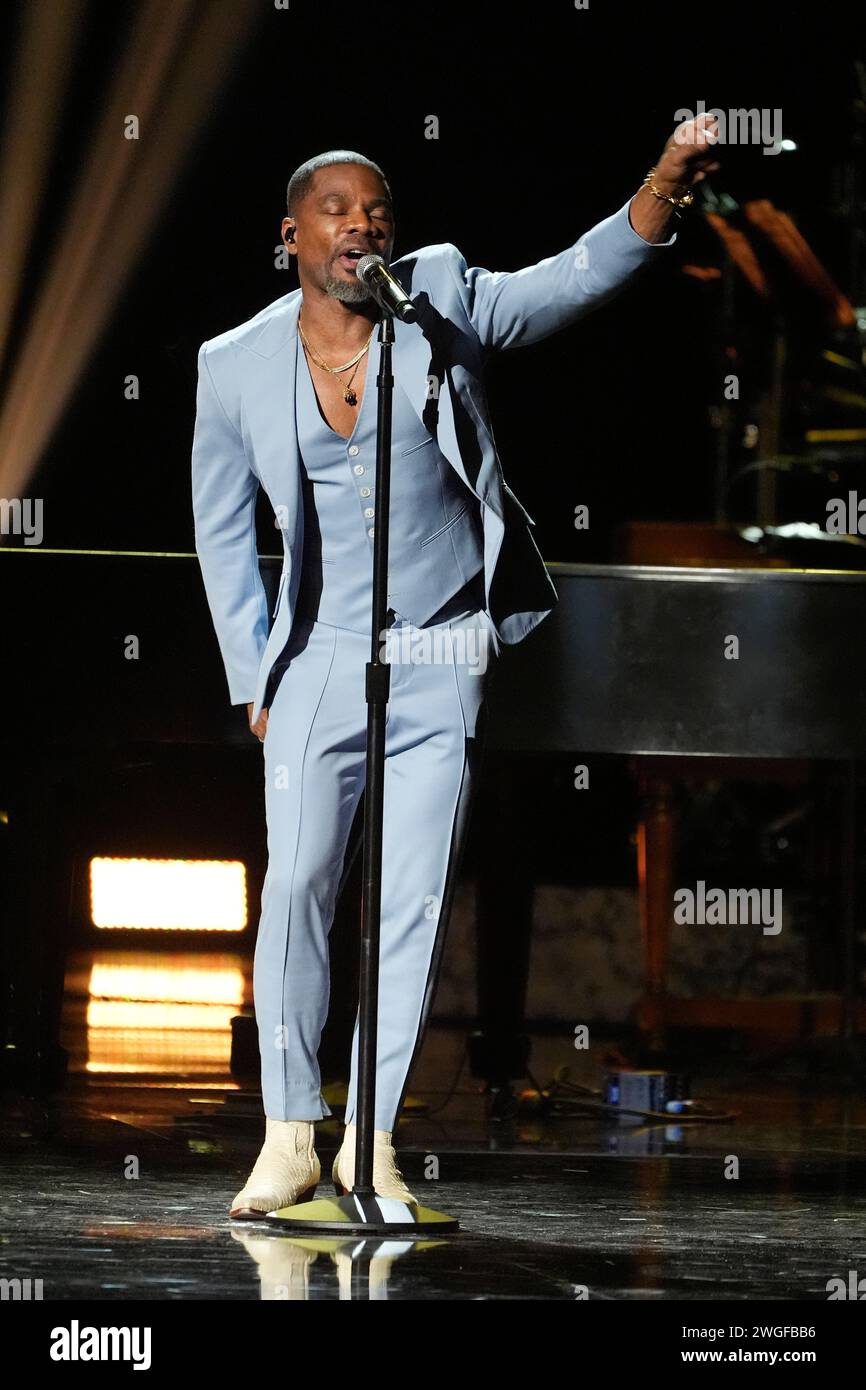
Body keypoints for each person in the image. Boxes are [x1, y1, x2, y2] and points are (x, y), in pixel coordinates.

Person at [190, 116, 720, 1218]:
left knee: (412, 899)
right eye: (334, 209)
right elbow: (222, 532)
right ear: (288, 236)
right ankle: (292, 1131)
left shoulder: (436, 297)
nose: (361, 222)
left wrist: (658, 188)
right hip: (318, 657)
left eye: (376, 207)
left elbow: (561, 285)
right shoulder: (231, 364)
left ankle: (369, 1148)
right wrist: (255, 676)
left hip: (439, 647)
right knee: (296, 886)